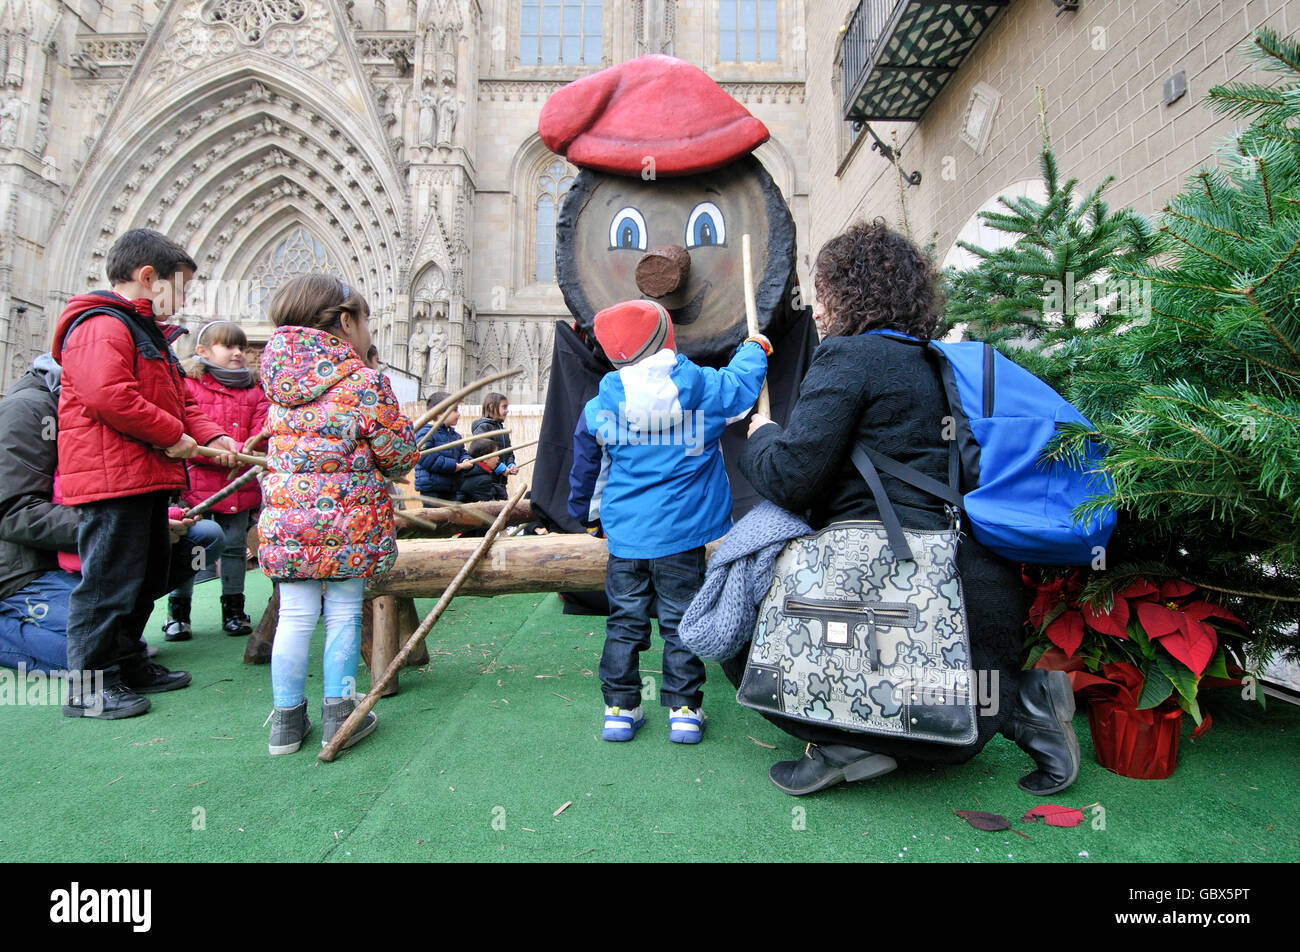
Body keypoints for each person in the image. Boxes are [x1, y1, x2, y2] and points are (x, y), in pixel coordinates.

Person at [735, 218, 1078, 796]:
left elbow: (791, 478)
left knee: (750, 645)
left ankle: (847, 739)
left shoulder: (848, 358)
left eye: (826, 296)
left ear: (852, 296)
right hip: (976, 587)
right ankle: (1022, 702)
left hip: (889, 578)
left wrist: (762, 434)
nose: (818, 312)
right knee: (946, 720)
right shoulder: (941, 364)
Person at [51, 229, 240, 719]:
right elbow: (107, 396)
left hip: (146, 474)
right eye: (182, 289)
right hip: (111, 478)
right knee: (108, 582)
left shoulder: (144, 332)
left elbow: (182, 400)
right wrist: (170, 434)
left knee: (143, 575)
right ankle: (91, 685)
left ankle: (128, 661)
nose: (184, 301)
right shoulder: (101, 323)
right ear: (149, 277)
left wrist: (214, 437)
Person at [568, 300, 770, 745]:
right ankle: (684, 711)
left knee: (624, 622)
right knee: (682, 623)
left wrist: (587, 518)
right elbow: (740, 388)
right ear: (665, 338)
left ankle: (619, 709)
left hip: (626, 538)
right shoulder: (698, 385)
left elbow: (586, 468)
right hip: (683, 537)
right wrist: (755, 346)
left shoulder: (601, 403)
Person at [258, 274, 418, 756]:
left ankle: (285, 723)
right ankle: (340, 715)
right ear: (346, 323)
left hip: (288, 524)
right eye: (366, 320)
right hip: (347, 526)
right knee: (345, 613)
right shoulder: (364, 384)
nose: (369, 332)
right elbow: (400, 457)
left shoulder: (277, 383)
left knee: (295, 616)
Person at [0, 354, 221, 673]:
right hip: (24, 570)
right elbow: (14, 514)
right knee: (103, 655)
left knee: (203, 538)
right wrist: (127, 529)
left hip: (80, 552)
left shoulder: (104, 405)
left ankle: (113, 619)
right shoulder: (28, 410)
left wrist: (162, 520)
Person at [164, 321, 269, 641]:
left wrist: (244, 450)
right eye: (228, 346)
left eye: (241, 347)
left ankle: (234, 610)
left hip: (238, 485)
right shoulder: (191, 385)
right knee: (188, 546)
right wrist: (215, 454)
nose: (238, 353)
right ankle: (178, 614)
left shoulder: (254, 389)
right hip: (195, 485)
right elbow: (183, 430)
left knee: (235, 548)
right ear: (203, 351)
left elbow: (262, 430)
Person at [413, 391, 473, 502]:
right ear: (440, 412)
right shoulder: (426, 433)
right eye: (455, 410)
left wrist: (465, 459)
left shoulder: (455, 435)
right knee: (435, 518)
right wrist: (455, 466)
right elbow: (426, 457)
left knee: (451, 518)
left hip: (452, 487)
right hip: (433, 490)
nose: (458, 414)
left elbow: (462, 451)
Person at [470, 391, 518, 500]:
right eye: (504, 407)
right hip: (488, 481)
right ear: (492, 407)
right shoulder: (483, 428)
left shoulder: (502, 430)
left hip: (501, 482)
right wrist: (501, 468)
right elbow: (484, 454)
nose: (507, 411)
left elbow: (509, 452)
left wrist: (511, 465)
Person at [457, 437, 505, 504]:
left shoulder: (473, 471)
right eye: (496, 455)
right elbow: (489, 505)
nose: (498, 458)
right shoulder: (482, 479)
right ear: (485, 458)